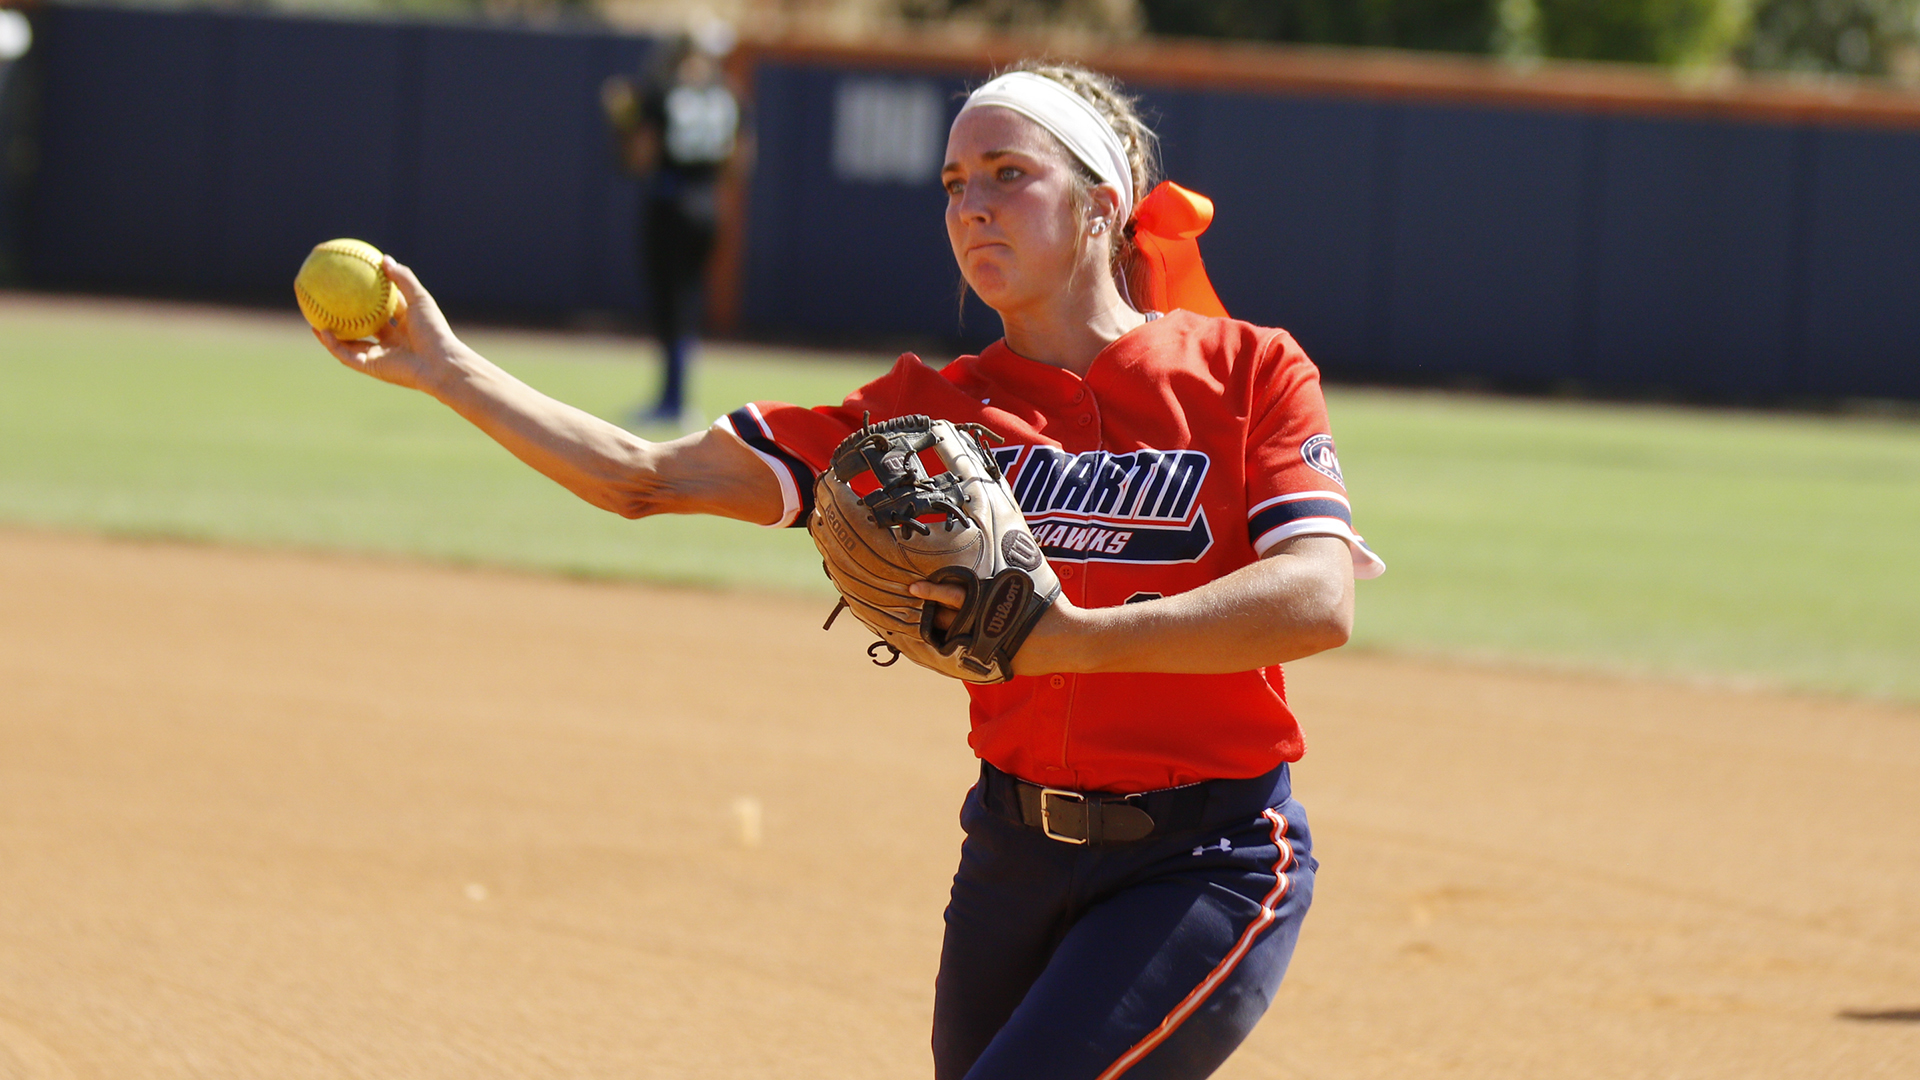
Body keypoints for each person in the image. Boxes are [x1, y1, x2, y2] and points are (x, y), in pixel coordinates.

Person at [313, 59, 1383, 1080]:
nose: (974, 205)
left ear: (1104, 204)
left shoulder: (1247, 371)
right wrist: (447, 370)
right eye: (957, 183)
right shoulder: (924, 417)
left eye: (1012, 175)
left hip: (1205, 859)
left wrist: (1071, 642)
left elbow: (1316, 596)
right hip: (1010, 856)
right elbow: (644, 475)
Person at [601, 30, 742, 429]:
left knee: (670, 305)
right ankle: (674, 396)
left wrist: (623, 122)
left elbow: (640, 158)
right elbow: (740, 160)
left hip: (670, 204)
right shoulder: (727, 93)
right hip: (707, 204)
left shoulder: (661, 93)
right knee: (687, 302)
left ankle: (673, 400)